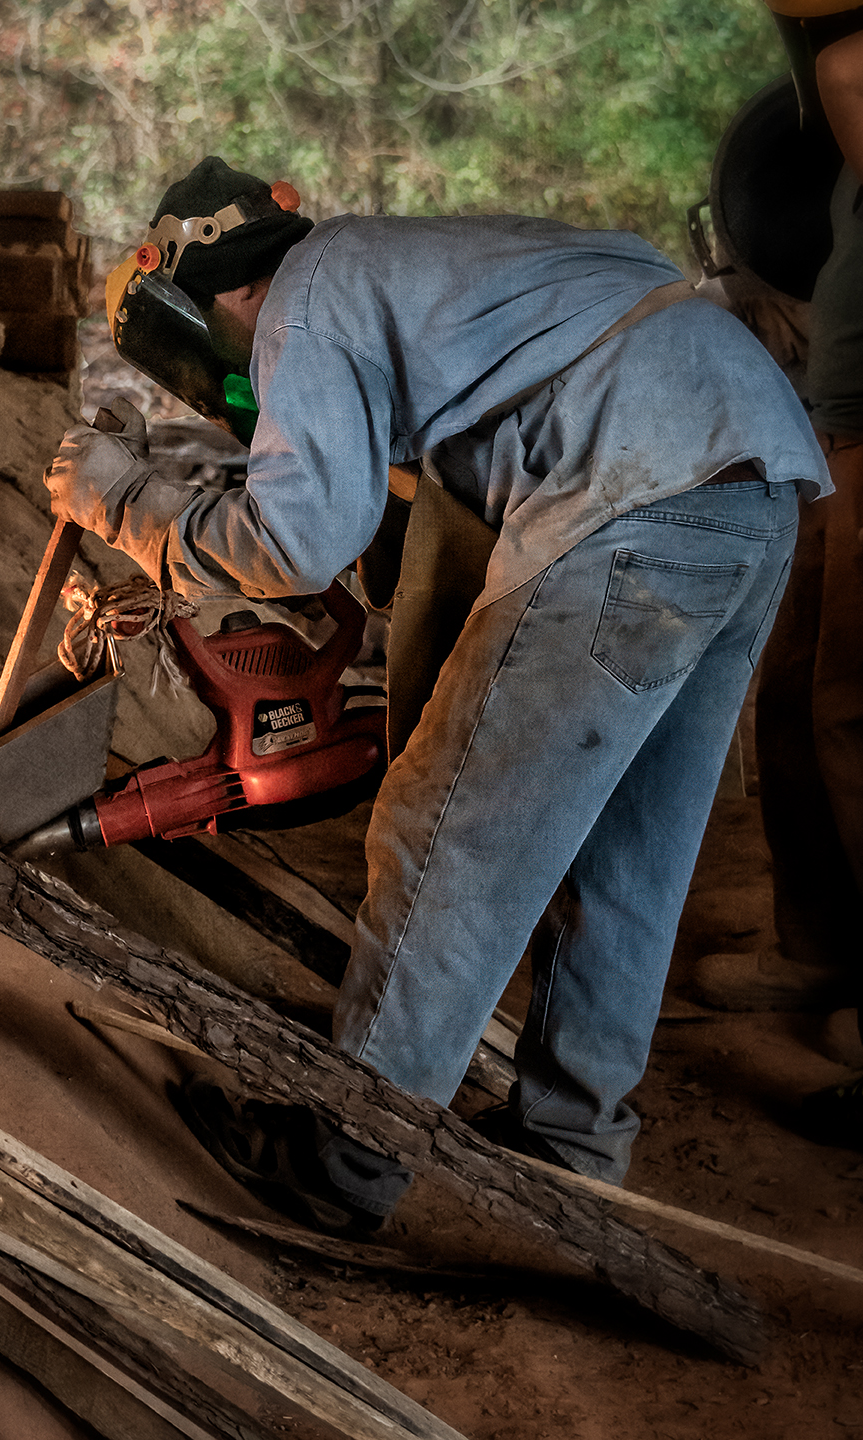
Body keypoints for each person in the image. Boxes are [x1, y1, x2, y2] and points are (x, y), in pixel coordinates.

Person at [48, 156, 830, 1231]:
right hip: (754, 482)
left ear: (220, 291)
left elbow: (296, 540)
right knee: (630, 847)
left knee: (436, 829)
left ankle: (346, 1156)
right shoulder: (420, 264)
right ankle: (570, 1140)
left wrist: (124, 500)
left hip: (634, 492)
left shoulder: (304, 298)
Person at [694, 5, 863, 1146]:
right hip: (829, 433)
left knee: (858, 712)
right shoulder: (836, 124)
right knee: (800, 699)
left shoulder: (855, 60)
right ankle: (821, 951)